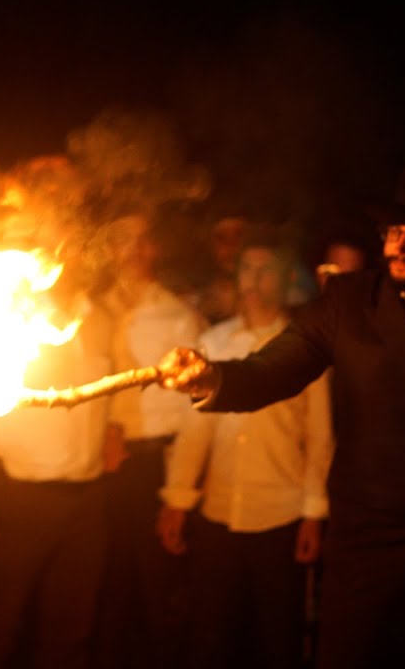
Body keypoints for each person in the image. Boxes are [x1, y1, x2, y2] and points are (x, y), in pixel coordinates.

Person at [157, 157, 405, 668]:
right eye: (391, 232)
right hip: (374, 550)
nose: (397, 247)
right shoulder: (349, 301)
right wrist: (211, 377)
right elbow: (273, 369)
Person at [157, 238, 333, 669]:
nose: (253, 281)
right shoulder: (213, 342)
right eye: (246, 270)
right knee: (211, 637)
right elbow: (195, 430)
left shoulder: (304, 347)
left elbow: (319, 435)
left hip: (280, 515)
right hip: (218, 514)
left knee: (277, 640)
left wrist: (313, 511)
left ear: (286, 278)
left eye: (265, 269)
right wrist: (178, 499)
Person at [0, 268, 114, 669]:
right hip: (21, 498)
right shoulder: (6, 316)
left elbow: (110, 384)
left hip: (87, 496)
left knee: (71, 628)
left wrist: (114, 429)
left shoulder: (99, 318)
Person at [95, 207, 205, 669]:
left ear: (155, 248)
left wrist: (178, 494)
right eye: (123, 240)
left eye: (143, 241)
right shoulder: (90, 311)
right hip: (102, 471)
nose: (133, 252)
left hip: (154, 466)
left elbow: (194, 412)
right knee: (108, 596)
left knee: (159, 596)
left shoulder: (177, 317)